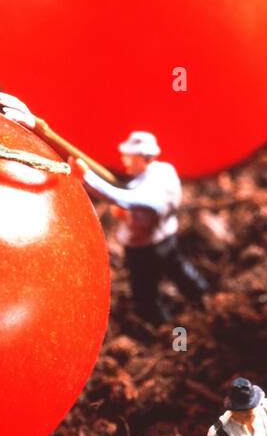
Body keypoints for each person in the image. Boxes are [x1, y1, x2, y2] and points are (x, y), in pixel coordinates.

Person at [80, 129, 209, 325]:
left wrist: (86, 177)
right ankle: (203, 294)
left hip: (145, 246)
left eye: (129, 157)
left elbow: (120, 197)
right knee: (179, 269)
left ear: (143, 158)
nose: (124, 160)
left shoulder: (147, 191)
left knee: (145, 287)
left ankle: (161, 324)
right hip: (167, 235)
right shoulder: (165, 170)